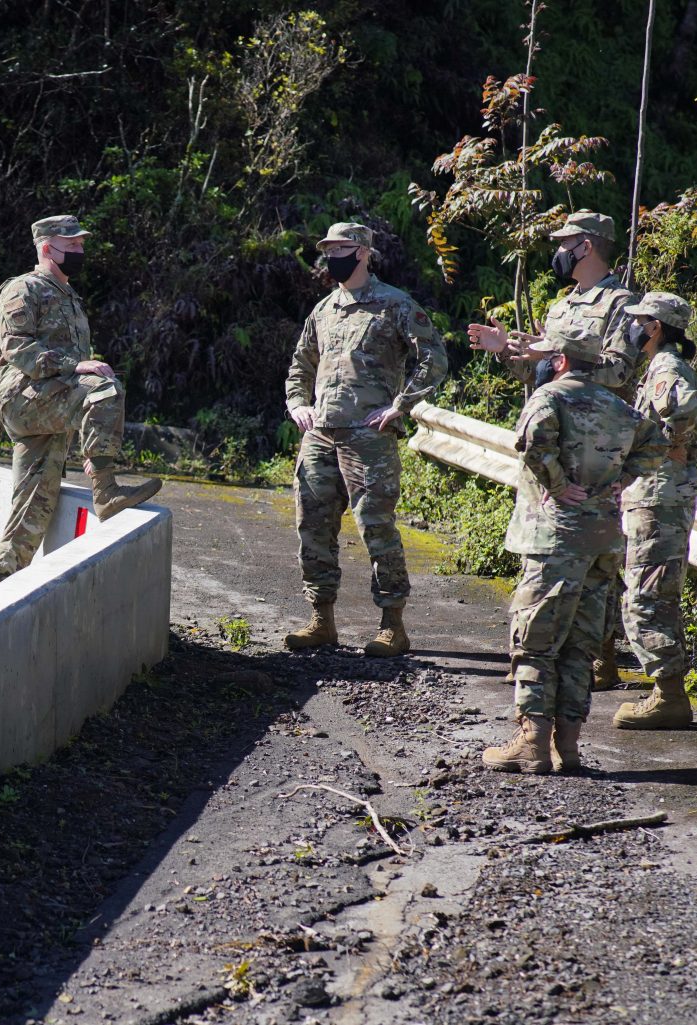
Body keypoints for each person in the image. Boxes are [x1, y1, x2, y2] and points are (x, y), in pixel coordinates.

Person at [482, 322, 665, 774]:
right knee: (582, 643)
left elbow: (531, 444)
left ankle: (532, 742)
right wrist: (620, 480)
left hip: (555, 538)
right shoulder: (618, 406)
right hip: (602, 538)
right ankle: (569, 745)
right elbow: (658, 443)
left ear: (560, 360)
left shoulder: (549, 397)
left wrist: (559, 485)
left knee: (536, 639)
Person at [467, 210, 640, 688]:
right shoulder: (563, 306)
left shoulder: (623, 303)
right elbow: (543, 376)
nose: (559, 251)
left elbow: (619, 375)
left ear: (588, 246)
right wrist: (507, 351)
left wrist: (564, 356)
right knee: (540, 551)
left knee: (595, 557)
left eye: (566, 243)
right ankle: (534, 655)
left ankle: (598, 654)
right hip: (550, 442)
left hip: (594, 446)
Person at [283, 222, 448, 655]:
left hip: (368, 438)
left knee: (375, 528)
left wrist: (401, 404)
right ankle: (322, 619)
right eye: (327, 248)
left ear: (361, 252)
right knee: (312, 526)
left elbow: (433, 355)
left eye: (338, 248)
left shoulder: (393, 304)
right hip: (320, 433)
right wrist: (298, 403)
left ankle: (392, 625)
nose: (329, 255)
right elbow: (301, 364)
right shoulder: (324, 309)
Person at [0, 215, 161, 583]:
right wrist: (77, 365)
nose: (81, 251)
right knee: (104, 390)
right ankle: (106, 490)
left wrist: (76, 369)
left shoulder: (68, 295)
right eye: (73, 245)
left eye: (81, 244)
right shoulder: (23, 288)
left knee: (34, 501)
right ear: (48, 248)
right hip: (23, 395)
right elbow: (18, 348)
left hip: (50, 398)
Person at [612, 292, 697, 730]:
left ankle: (669, 694)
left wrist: (664, 450)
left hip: (659, 496)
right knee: (650, 589)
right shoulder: (659, 368)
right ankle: (666, 688)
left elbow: (684, 412)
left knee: (646, 595)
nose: (631, 327)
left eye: (638, 321)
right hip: (657, 494)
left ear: (654, 327)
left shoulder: (668, 369)